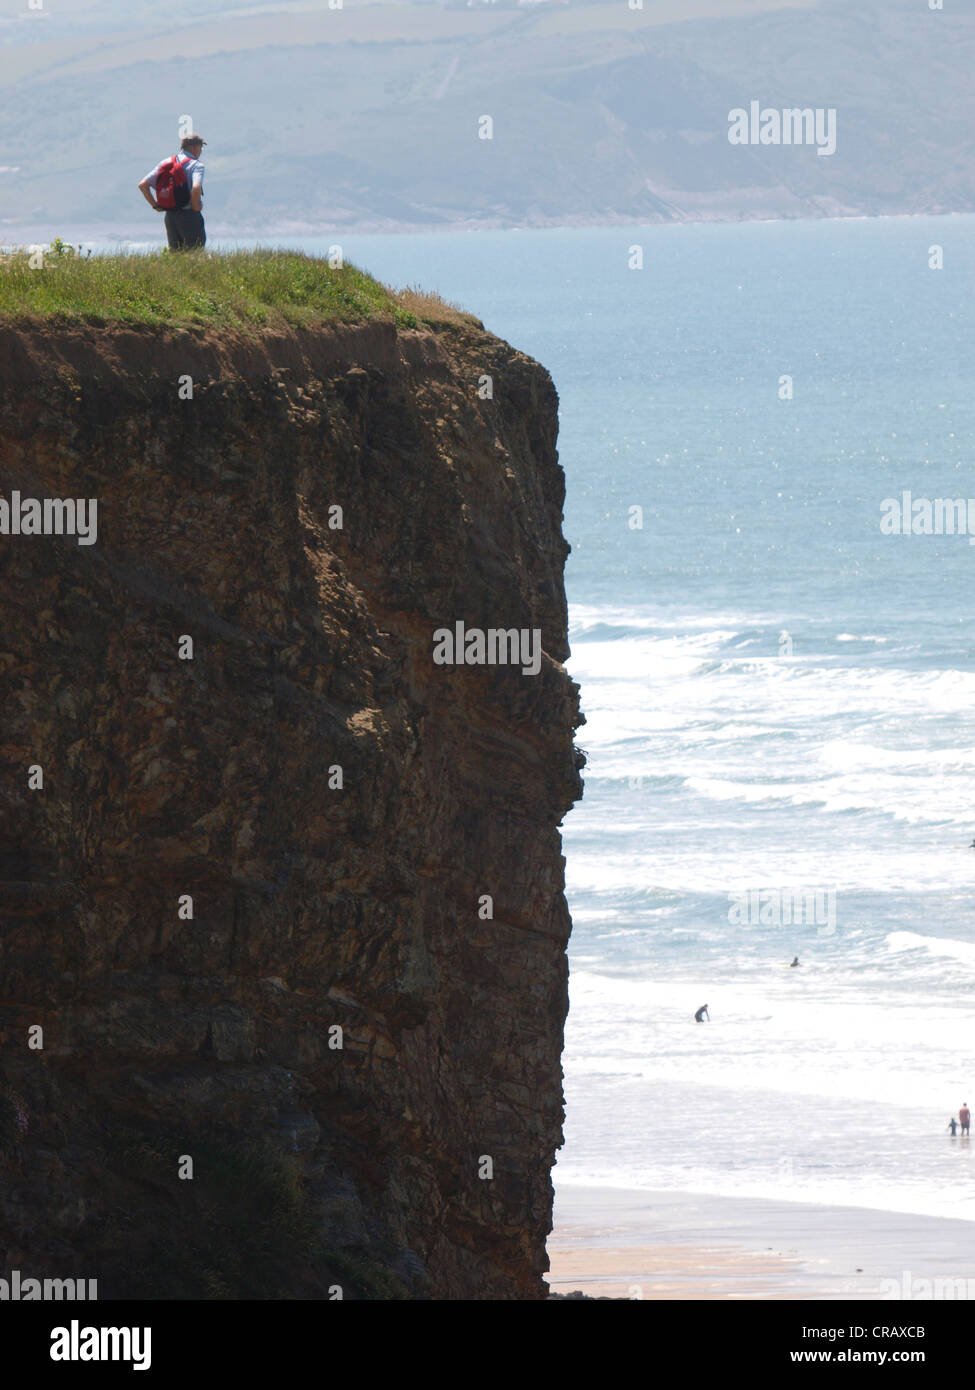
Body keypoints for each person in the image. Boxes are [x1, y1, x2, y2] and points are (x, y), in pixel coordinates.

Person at [138, 134, 207, 250]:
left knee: (175, 255)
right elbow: (196, 188)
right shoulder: (196, 165)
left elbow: (143, 185)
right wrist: (196, 206)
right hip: (189, 215)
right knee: (195, 254)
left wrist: (156, 206)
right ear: (195, 147)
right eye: (201, 148)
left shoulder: (166, 163)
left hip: (170, 216)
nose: (201, 151)